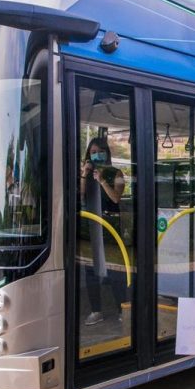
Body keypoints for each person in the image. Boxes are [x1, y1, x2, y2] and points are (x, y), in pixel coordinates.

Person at [80, 137, 127, 326]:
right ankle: (96, 310)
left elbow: (116, 198)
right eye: (92, 152)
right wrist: (85, 174)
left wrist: (101, 181)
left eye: (99, 151)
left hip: (110, 228)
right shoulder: (87, 173)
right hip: (90, 226)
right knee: (90, 270)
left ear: (106, 152)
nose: (96, 154)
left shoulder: (116, 173)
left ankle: (122, 308)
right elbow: (80, 195)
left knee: (115, 270)